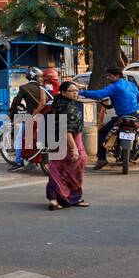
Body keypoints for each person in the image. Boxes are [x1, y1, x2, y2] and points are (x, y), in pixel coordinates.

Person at [81, 67, 139, 172]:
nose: (108, 77)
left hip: (121, 117)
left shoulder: (113, 87)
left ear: (117, 76)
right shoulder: (132, 85)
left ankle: (102, 159)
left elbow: (98, 94)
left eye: (110, 76)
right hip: (136, 116)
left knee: (102, 133)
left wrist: (81, 92)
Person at [46, 79, 88, 210]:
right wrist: (74, 149)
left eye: (76, 90)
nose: (75, 93)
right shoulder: (68, 107)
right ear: (63, 92)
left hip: (57, 142)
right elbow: (66, 130)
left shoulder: (58, 103)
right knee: (73, 172)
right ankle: (72, 198)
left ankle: (55, 200)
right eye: (71, 91)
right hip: (69, 143)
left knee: (56, 171)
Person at [9, 68, 53, 170]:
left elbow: (16, 102)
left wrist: (11, 111)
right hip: (47, 115)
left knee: (19, 138)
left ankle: (19, 162)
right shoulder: (45, 87)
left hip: (32, 117)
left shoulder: (24, 88)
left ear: (29, 76)